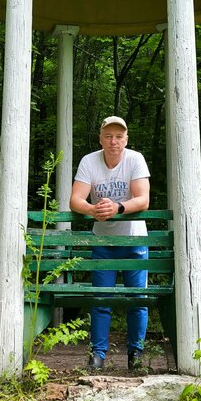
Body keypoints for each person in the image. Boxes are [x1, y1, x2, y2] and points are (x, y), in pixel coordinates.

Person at [69, 116, 150, 371]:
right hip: (103, 240)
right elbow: (75, 200)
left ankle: (135, 354)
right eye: (108, 136)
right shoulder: (89, 161)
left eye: (118, 136)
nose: (113, 141)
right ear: (100, 138)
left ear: (126, 139)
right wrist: (94, 210)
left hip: (134, 239)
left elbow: (143, 199)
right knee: (100, 299)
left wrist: (118, 207)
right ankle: (98, 355)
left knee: (136, 299)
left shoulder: (134, 159)